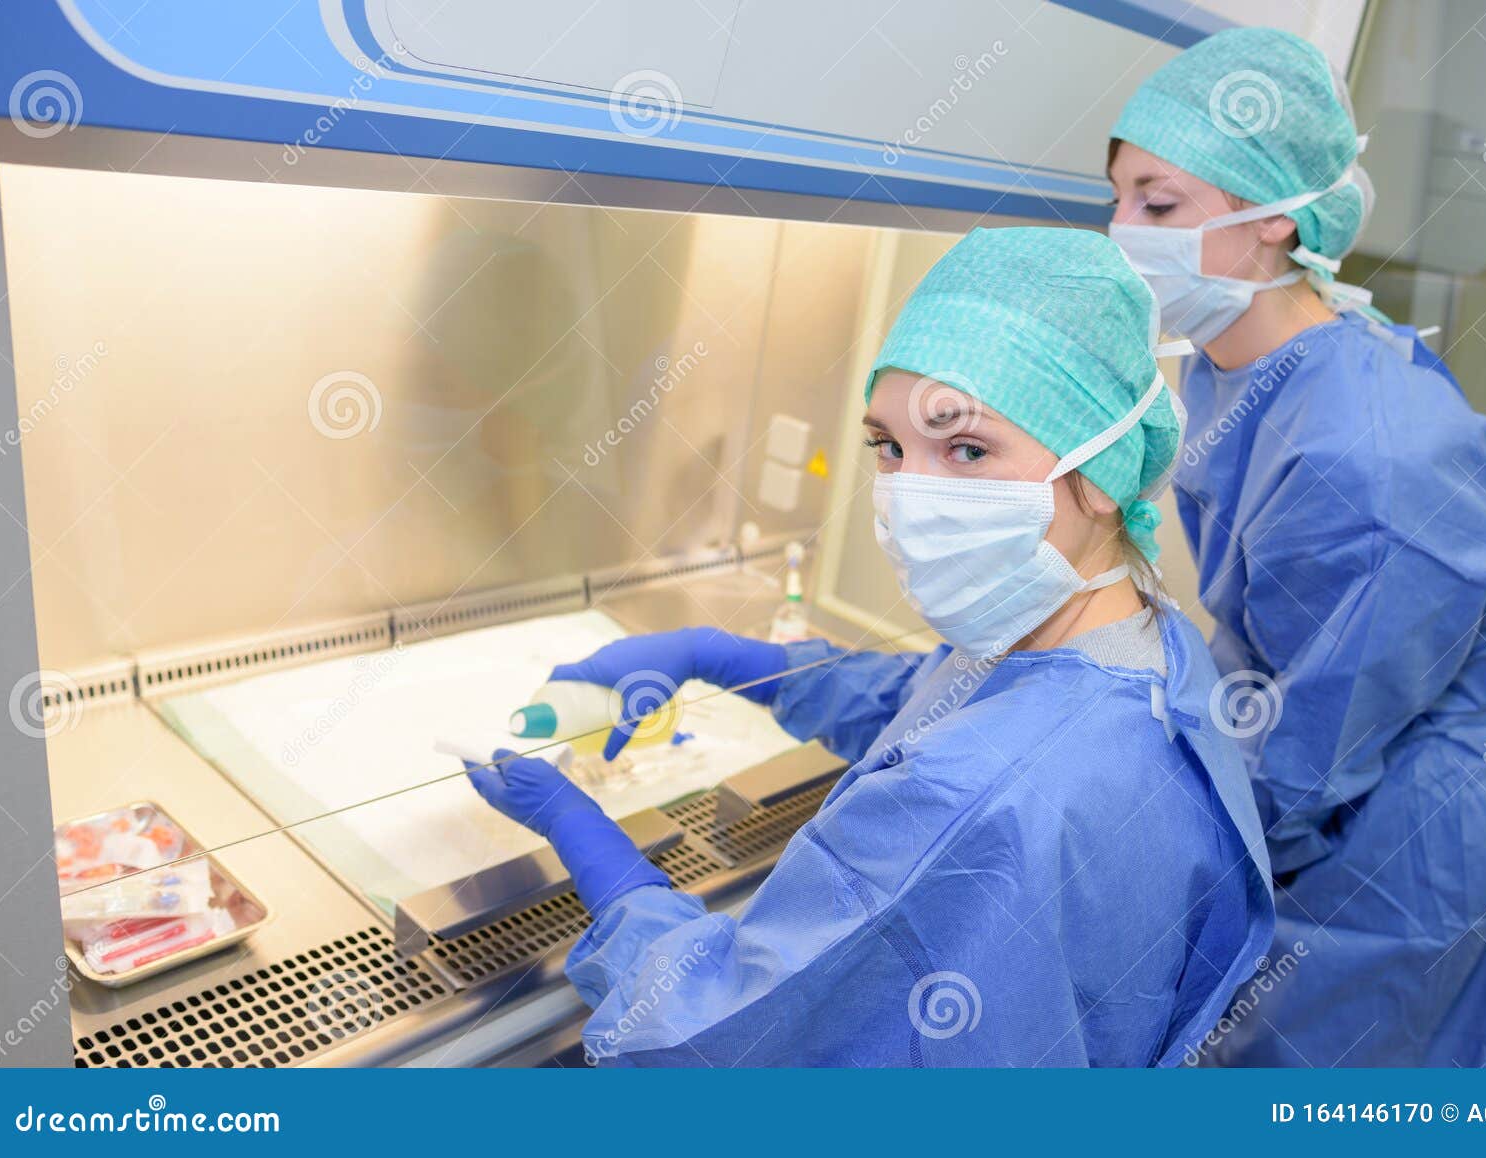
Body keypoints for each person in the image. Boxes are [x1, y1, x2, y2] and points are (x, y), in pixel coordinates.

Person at [465, 228, 1274, 1067]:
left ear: (1101, 475)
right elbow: (948, 706)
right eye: (889, 446)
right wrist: (737, 660)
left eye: (967, 449)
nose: (912, 493)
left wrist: (607, 868)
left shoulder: (972, 802)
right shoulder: (1147, 646)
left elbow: (709, 1042)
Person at [1107, 26, 1486, 1066]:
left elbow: (1312, 754)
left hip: (1396, 834)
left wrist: (1154, 867)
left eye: (1157, 204)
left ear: (1271, 220)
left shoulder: (1364, 460)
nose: (1120, 231)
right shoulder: (1235, 360)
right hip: (1328, 751)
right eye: (1119, 198)